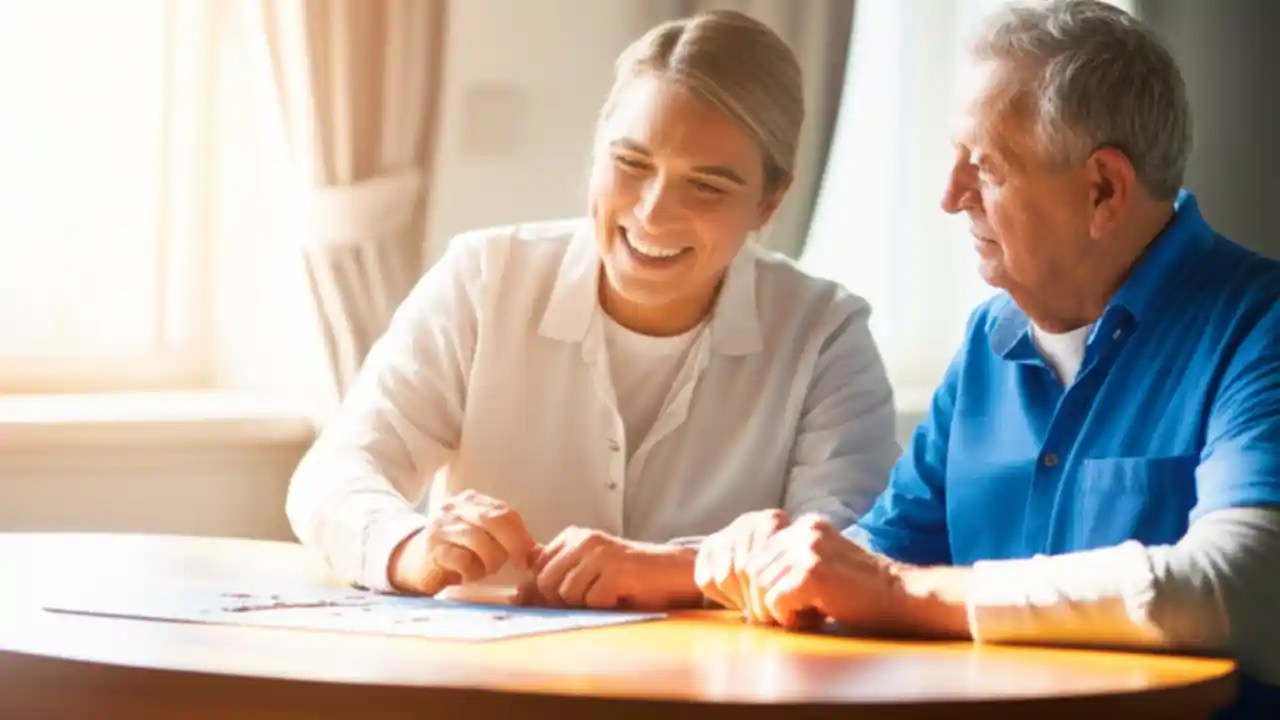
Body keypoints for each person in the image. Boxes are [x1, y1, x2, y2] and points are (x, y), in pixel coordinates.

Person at [696, 0, 1279, 713]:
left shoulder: (1261, 324)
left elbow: (1244, 585)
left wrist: (893, 592)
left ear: (1103, 189)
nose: (950, 196)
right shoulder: (986, 342)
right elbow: (875, 556)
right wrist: (684, 564)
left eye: (987, 168)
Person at [287, 10, 898, 611]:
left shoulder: (825, 333)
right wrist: (410, 547)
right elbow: (334, 474)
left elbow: (849, 547)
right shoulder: (484, 277)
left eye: (707, 186)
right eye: (630, 164)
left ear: (769, 202)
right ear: (596, 150)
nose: (654, 213)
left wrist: (677, 569)